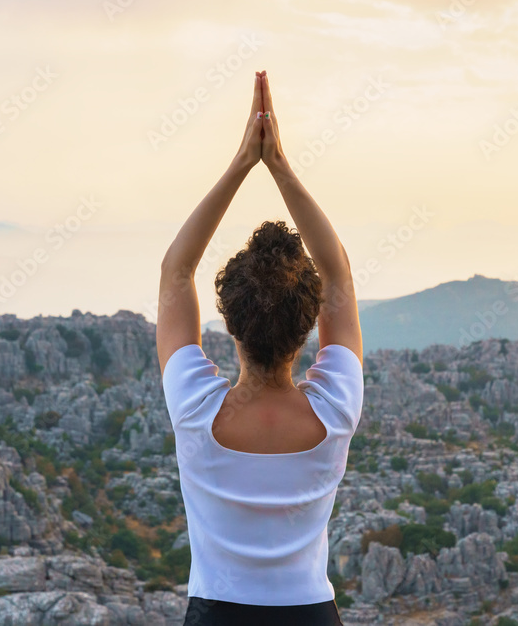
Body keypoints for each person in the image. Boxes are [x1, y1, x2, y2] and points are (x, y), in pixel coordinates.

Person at [156, 70, 364, 626]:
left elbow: (176, 273)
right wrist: (281, 167)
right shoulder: (335, 410)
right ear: (306, 331)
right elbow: (338, 275)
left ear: (230, 325)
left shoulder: (196, 410)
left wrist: (243, 162)